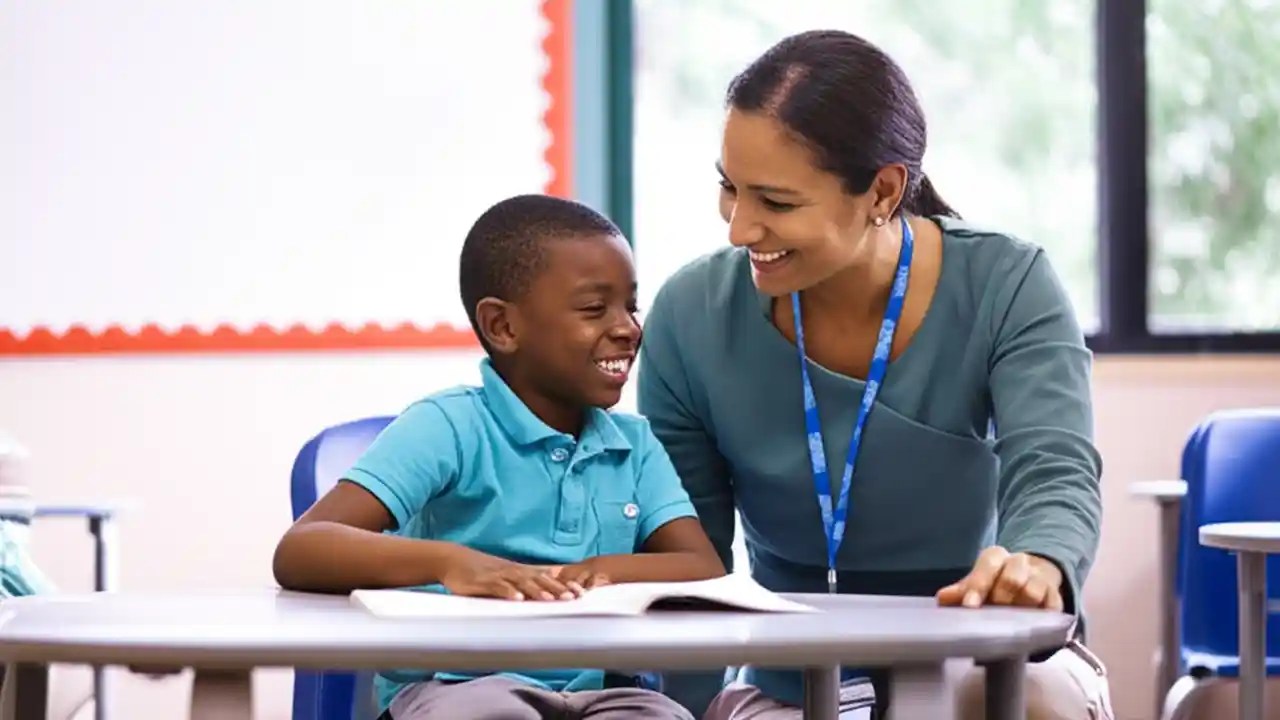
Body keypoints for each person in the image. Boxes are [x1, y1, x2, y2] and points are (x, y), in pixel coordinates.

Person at [636, 30, 1113, 720]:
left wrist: (1038, 561)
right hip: (788, 677)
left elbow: (1056, 468)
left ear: (884, 191)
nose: (739, 228)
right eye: (728, 188)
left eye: (775, 202)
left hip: (977, 653)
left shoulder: (1009, 285)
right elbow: (689, 560)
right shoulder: (691, 315)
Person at [273, 194, 725, 720]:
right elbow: (302, 549)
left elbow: (702, 568)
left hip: (600, 693)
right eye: (593, 309)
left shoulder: (634, 445)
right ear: (503, 327)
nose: (627, 327)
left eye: (630, 305)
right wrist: (451, 563)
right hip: (456, 687)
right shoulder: (448, 426)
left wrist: (594, 571)